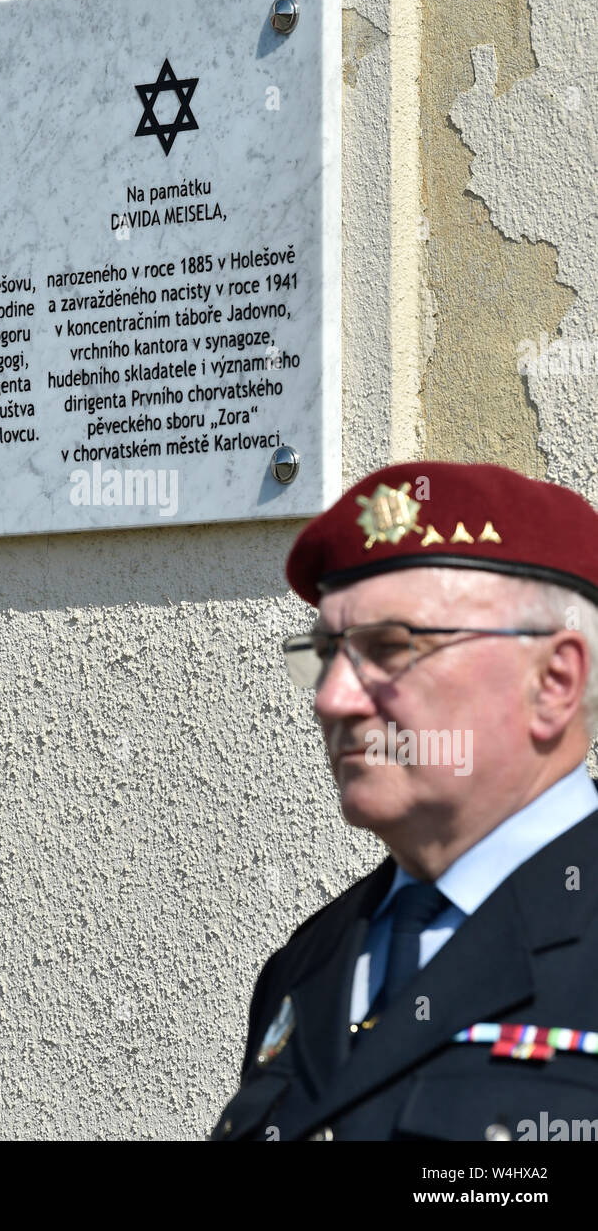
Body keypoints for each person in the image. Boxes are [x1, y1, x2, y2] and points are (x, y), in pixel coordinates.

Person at [210, 460, 598, 1141]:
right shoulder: (312, 960)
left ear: (553, 682)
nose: (331, 698)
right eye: (327, 652)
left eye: (389, 648)